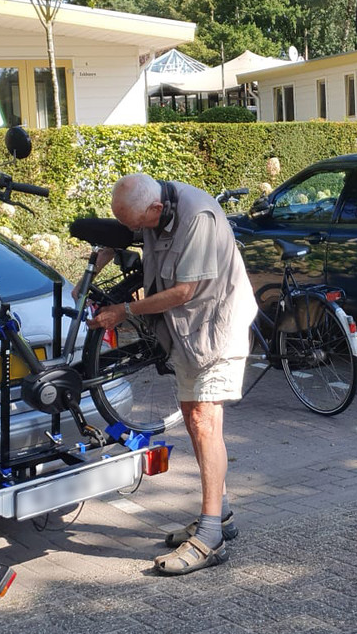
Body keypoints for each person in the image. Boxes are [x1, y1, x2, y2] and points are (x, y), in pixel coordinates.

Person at [88, 173, 257, 575]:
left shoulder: (197, 217)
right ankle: (221, 516)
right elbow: (120, 237)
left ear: (155, 208)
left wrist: (124, 311)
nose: (135, 231)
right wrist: (88, 276)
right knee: (194, 417)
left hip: (217, 327)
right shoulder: (152, 204)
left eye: (137, 223)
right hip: (187, 331)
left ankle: (211, 538)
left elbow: (185, 292)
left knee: (204, 422)